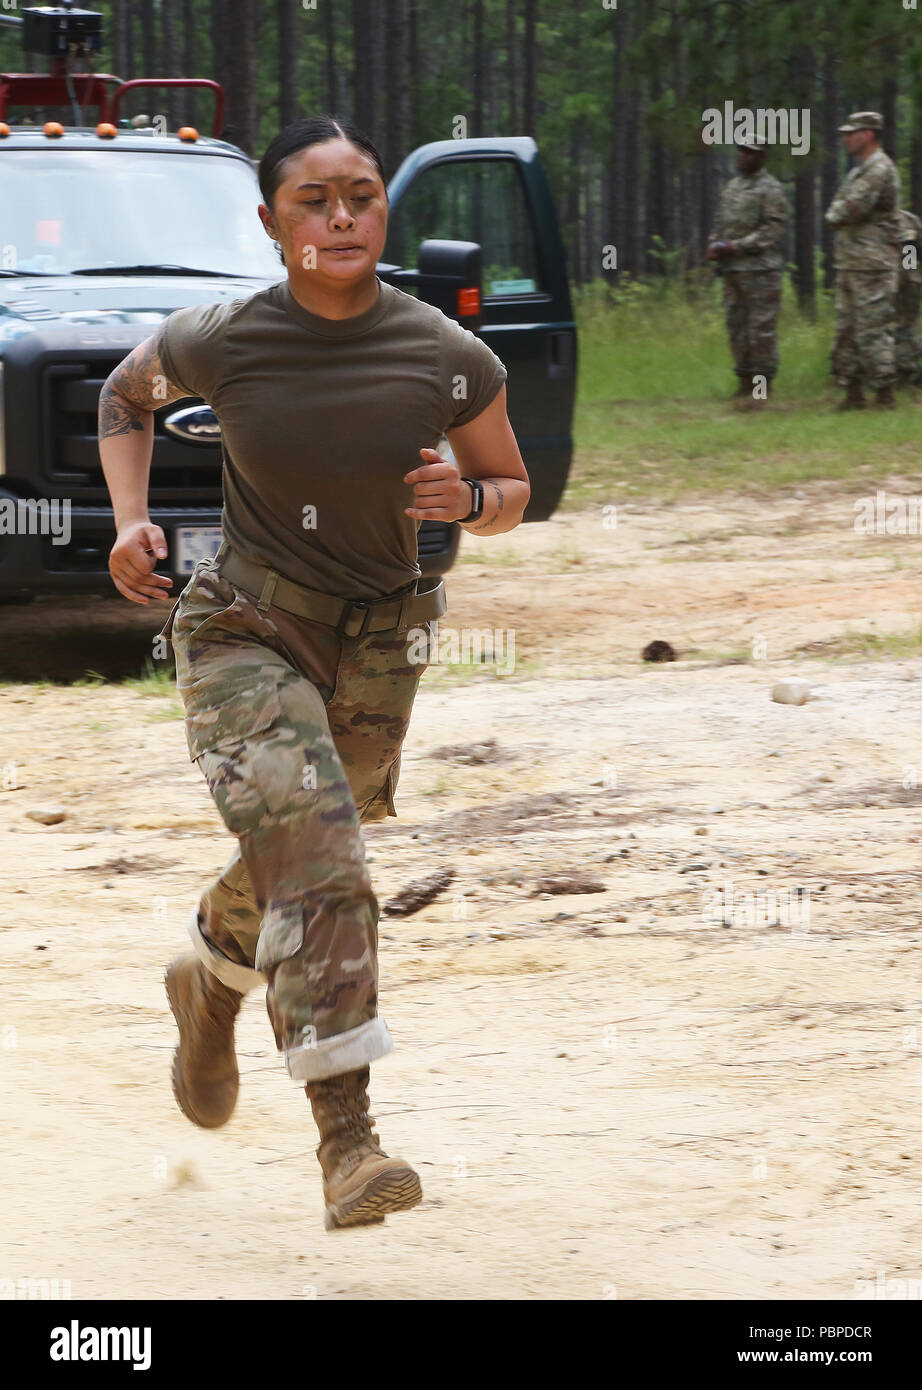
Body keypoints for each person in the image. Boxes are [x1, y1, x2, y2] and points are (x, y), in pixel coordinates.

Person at [97, 115, 530, 1229]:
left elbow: (511, 488)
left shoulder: (446, 352)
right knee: (321, 859)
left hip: (384, 641)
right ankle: (349, 1142)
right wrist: (130, 522)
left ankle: (206, 977)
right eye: (313, 200)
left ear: (384, 210)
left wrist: (466, 503)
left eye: (362, 197)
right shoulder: (220, 337)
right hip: (245, 629)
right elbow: (120, 399)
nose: (341, 218)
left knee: (300, 850)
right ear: (271, 221)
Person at [825, 111, 903, 410]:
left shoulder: (879, 169)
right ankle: (853, 393)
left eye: (852, 132)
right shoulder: (858, 171)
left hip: (873, 263)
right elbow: (843, 203)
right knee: (847, 329)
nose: (846, 138)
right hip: (851, 262)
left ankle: (885, 394)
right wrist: (838, 210)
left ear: (868, 134)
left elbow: (851, 207)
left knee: (873, 328)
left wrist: (835, 214)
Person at [706, 136, 789, 404]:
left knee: (761, 330)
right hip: (732, 271)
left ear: (762, 157)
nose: (743, 157)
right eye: (741, 151)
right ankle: (744, 382)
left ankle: (761, 388)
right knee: (736, 326)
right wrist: (713, 245)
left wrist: (736, 247)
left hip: (761, 272)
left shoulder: (771, 189)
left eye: (750, 153)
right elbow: (720, 222)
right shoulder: (733, 186)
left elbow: (771, 231)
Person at [895, 208, 922, 388]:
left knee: (904, 325)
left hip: (902, 280)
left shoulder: (907, 220)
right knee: (905, 326)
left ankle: (903, 371)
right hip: (907, 277)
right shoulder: (909, 220)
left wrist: (907, 273)